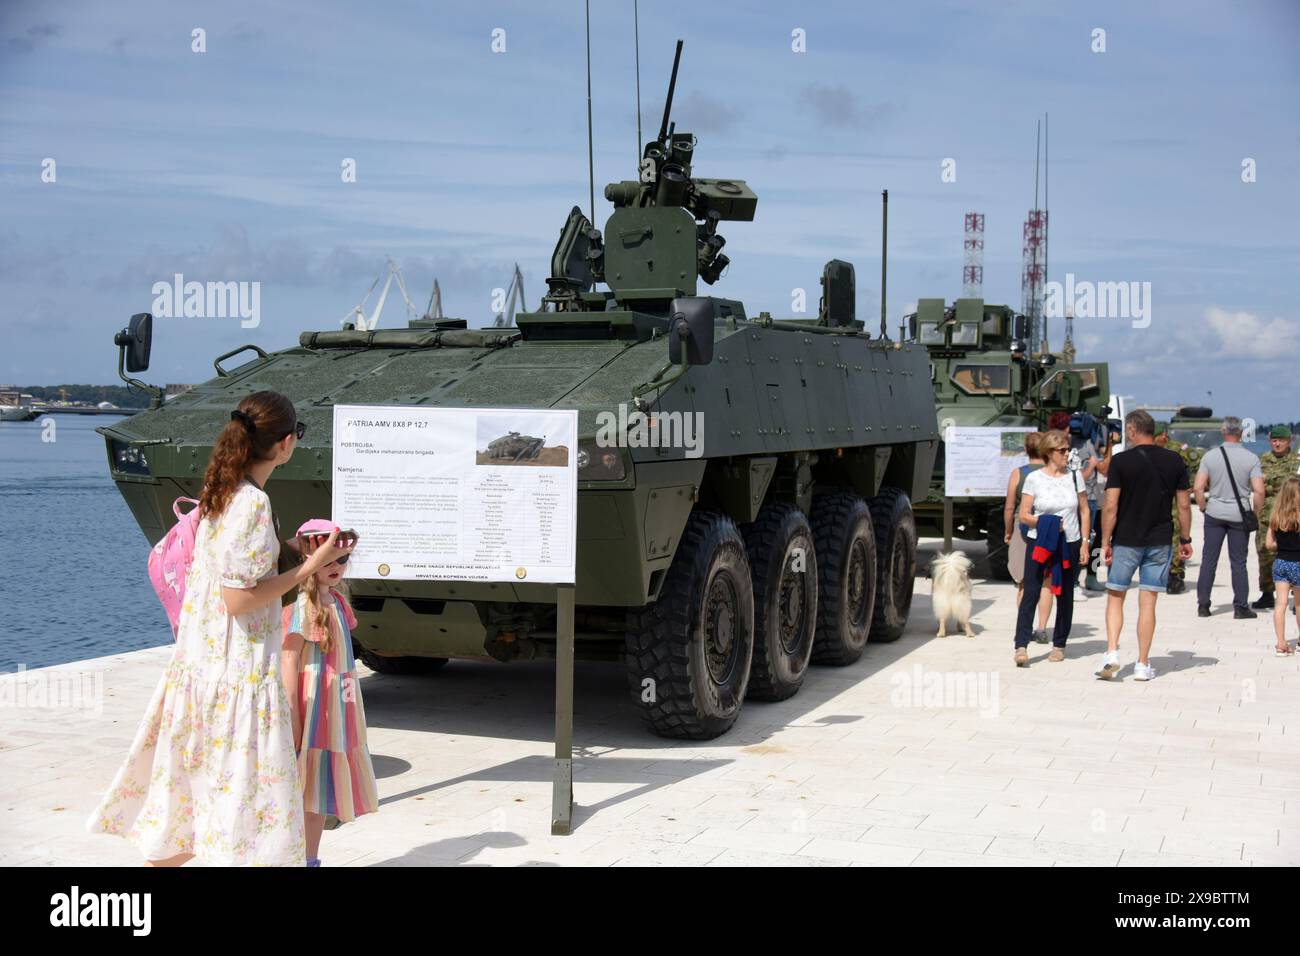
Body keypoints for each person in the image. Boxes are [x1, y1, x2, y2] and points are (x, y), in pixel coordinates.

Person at [87, 392, 353, 866]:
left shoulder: (220, 491)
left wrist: (293, 549)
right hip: (240, 677)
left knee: (187, 814)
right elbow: (239, 598)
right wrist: (312, 563)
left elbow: (234, 574)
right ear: (287, 443)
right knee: (251, 822)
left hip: (203, 674)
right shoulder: (252, 502)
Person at [281, 519, 379, 867]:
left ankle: (310, 858)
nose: (336, 567)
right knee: (302, 785)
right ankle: (291, 857)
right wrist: (292, 715)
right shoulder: (301, 606)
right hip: (313, 706)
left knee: (318, 789)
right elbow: (289, 660)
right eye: (327, 560)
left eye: (342, 560)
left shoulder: (336, 602)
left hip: (337, 706)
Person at [1096, 410, 1192, 681]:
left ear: (1132, 430)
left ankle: (1112, 652)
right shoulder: (1175, 460)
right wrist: (1185, 539)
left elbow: (1111, 505)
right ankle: (1142, 663)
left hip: (1126, 538)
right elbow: (1184, 505)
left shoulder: (1121, 461)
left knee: (1116, 596)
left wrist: (1104, 541)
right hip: (1160, 540)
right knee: (1148, 602)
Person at [1013, 429, 1089, 666]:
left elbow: (1084, 511)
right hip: (1041, 540)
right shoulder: (1035, 479)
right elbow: (1024, 515)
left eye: (1068, 449)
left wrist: (1086, 543)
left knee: (1065, 594)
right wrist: (1047, 523)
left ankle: (1059, 645)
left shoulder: (1075, 476)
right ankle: (1021, 645)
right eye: (1062, 450)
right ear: (1049, 452)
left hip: (1070, 541)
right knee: (1031, 592)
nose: (1067, 454)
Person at [1194, 416, 1265, 618]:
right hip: (1239, 514)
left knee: (1209, 560)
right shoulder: (1251, 458)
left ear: (1223, 432)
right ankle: (1241, 607)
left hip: (1214, 512)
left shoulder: (1210, 456)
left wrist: (1203, 508)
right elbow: (1259, 491)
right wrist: (1255, 513)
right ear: (1241, 433)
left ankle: (1204, 605)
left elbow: (1199, 488)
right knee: (1238, 562)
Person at [1003, 431, 1053, 642]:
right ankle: (1042, 628)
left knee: (1024, 581)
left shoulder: (1018, 473)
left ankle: (1025, 625)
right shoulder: (1052, 472)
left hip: (1022, 527)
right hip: (1048, 528)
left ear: (1026, 450)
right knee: (1046, 582)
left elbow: (1009, 507)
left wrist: (1008, 531)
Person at [1252, 426, 1300, 609]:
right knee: (1264, 554)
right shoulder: (1262, 460)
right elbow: (1255, 485)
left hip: (1293, 518)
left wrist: (1269, 483)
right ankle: (1266, 592)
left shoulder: (1297, 461)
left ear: (1290, 441)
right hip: (1267, 517)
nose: (1277, 443)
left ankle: (1297, 597)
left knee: (1296, 558)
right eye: (1274, 440)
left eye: (1281, 440)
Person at [1154, 422, 1200, 593]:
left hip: (1176, 498)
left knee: (1176, 536)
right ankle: (1161, 573)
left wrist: (1192, 484)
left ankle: (1176, 575)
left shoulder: (1178, 449)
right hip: (1157, 499)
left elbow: (1197, 461)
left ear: (1163, 436)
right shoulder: (1150, 450)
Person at [1068, 417, 1105, 592]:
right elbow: (1078, 478)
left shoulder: (1092, 443)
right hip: (1085, 499)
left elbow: (1105, 468)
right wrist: (1092, 465)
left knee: (1097, 541)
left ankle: (1092, 575)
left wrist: (1108, 447)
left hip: (1098, 499)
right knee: (1082, 541)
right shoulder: (1071, 446)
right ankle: (1074, 581)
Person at [1265, 477, 1300, 655]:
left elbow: (1269, 544)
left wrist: (1283, 545)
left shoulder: (1276, 517)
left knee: (1281, 604)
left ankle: (1281, 644)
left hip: (1281, 563)